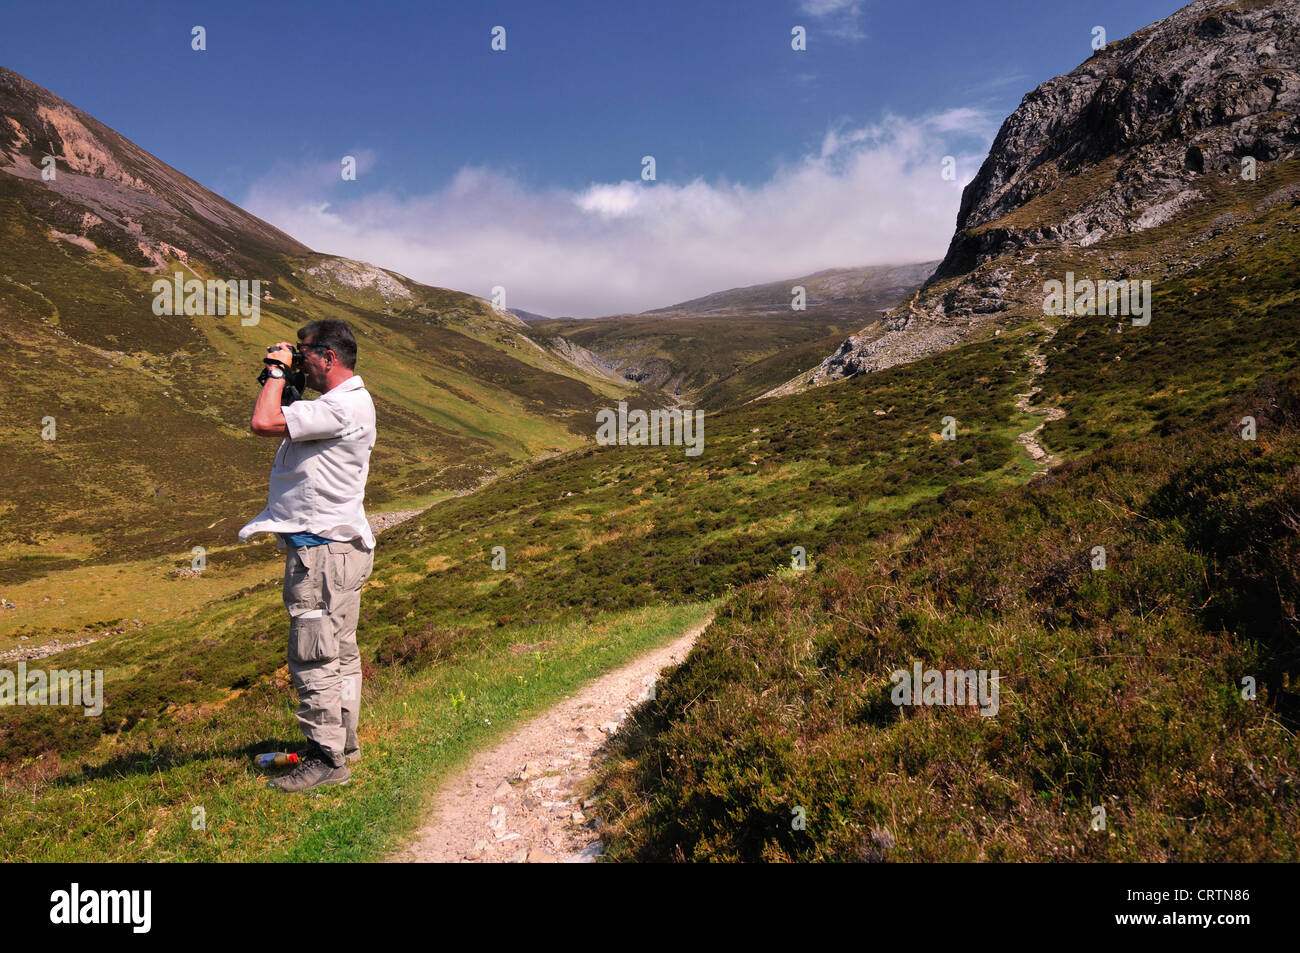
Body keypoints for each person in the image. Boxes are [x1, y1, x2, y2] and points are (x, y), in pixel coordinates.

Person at [238, 319, 376, 793]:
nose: (299, 360)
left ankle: (325, 759)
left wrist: (276, 374)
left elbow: (263, 422)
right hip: (339, 549)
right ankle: (342, 744)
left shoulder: (341, 406)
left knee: (314, 655)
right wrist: (292, 384)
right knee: (339, 652)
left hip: (321, 553)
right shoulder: (344, 403)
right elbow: (297, 422)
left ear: (328, 357)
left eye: (303, 353)